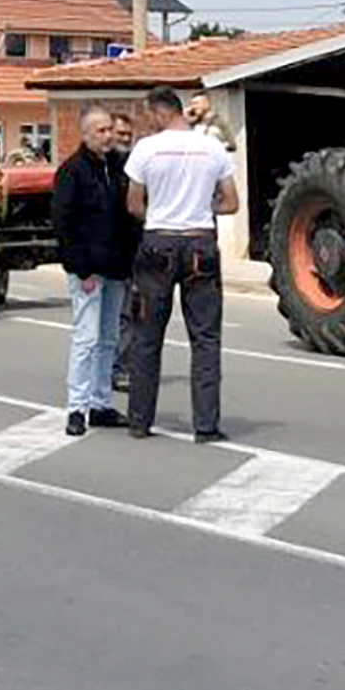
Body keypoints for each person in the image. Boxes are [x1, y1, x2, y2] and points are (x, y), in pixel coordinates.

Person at [122, 86, 239, 441]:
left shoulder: (146, 149)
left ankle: (140, 422)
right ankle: (205, 426)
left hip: (157, 244)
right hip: (200, 244)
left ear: (159, 113)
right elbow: (231, 203)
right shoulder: (213, 147)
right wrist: (202, 208)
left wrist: (160, 213)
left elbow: (133, 204)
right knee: (205, 338)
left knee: (146, 337)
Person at [53, 108, 137, 435]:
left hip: (116, 268)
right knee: (86, 339)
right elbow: (63, 223)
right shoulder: (72, 172)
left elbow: (128, 218)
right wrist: (80, 268)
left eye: (109, 131)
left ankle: (101, 403)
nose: (108, 136)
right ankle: (77, 408)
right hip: (88, 271)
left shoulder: (117, 168)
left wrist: (130, 261)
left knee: (109, 339)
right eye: (101, 131)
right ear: (86, 134)